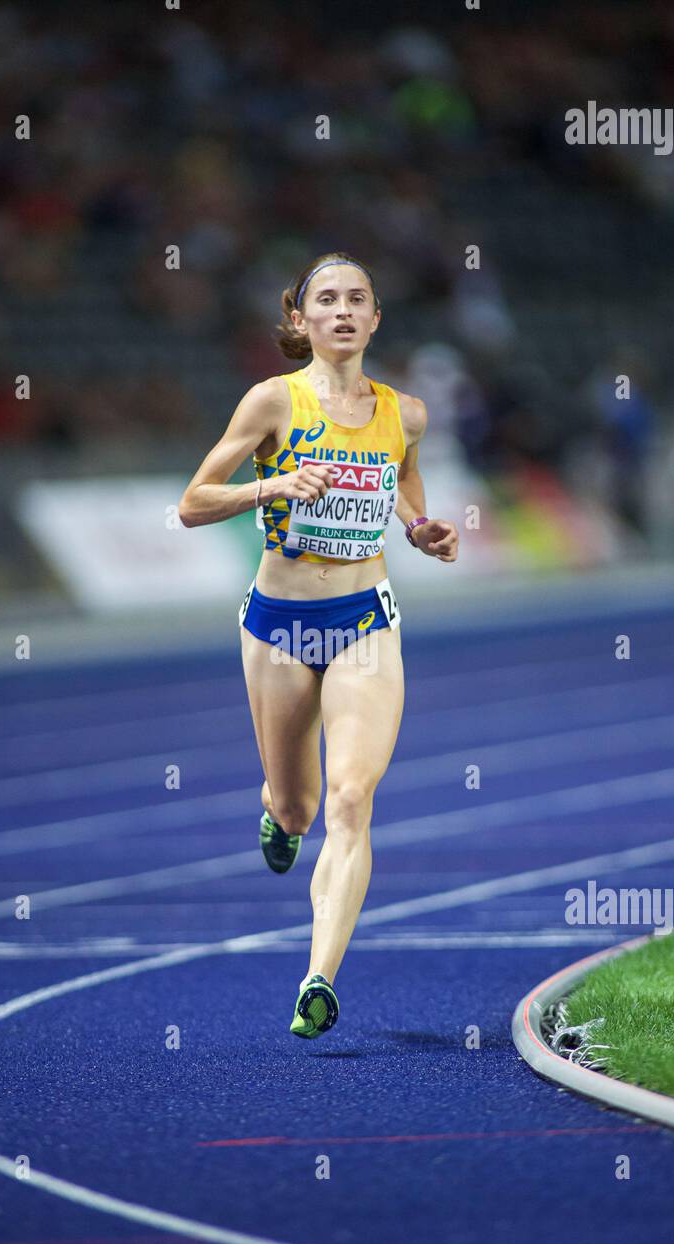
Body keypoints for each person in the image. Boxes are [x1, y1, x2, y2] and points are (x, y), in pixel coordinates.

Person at [179, 252, 458, 1038]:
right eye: (324, 300)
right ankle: (275, 810)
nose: (341, 310)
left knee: (351, 798)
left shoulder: (405, 413)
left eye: (357, 299)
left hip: (365, 623)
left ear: (375, 320)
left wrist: (420, 530)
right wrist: (271, 486)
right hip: (279, 626)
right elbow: (193, 504)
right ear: (298, 322)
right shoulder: (272, 401)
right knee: (299, 805)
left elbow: (402, 481)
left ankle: (318, 978)